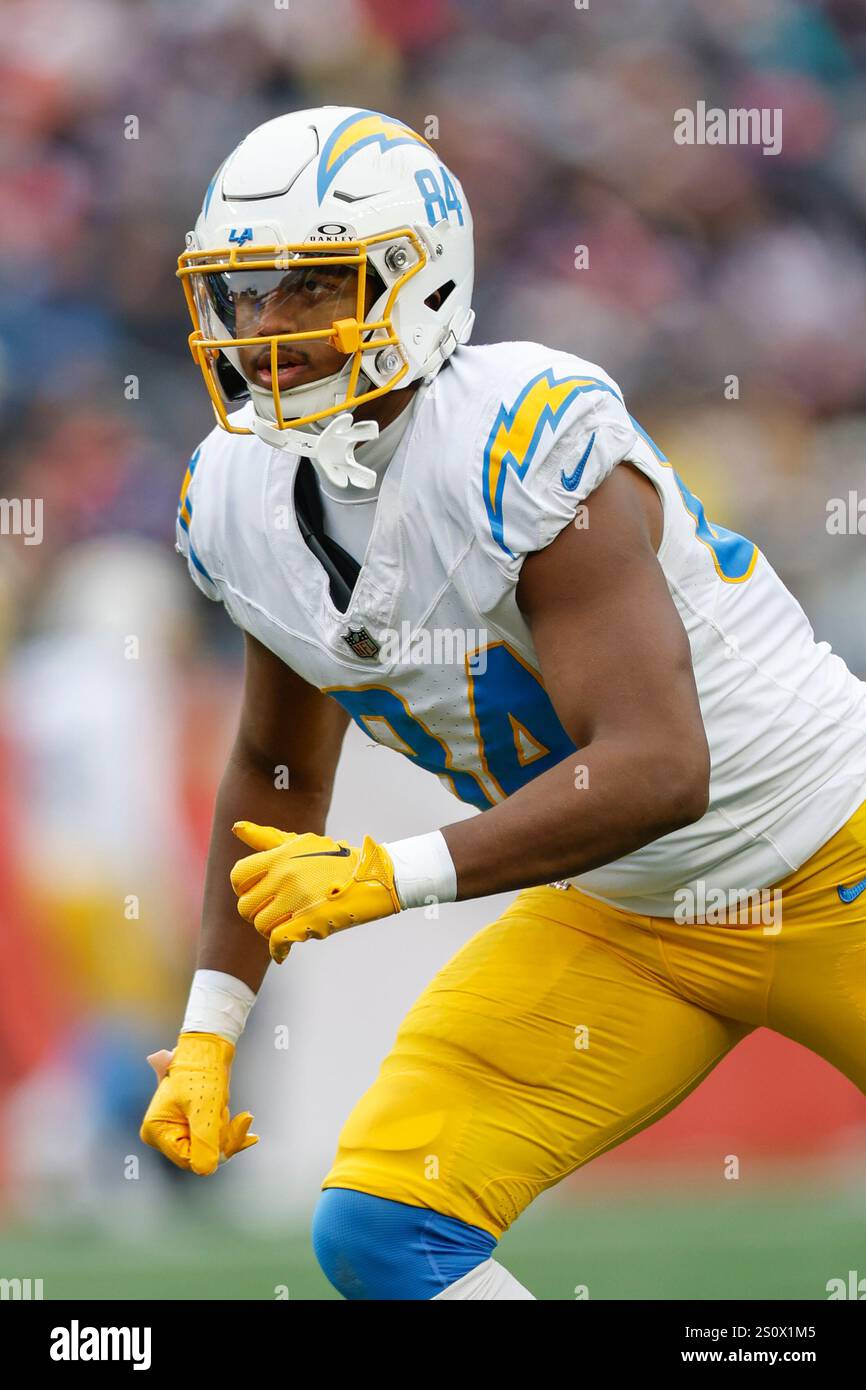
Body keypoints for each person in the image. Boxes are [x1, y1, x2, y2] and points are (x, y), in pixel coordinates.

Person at [141, 106, 866, 1300]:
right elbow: (277, 766)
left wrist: (392, 873)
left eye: (310, 291)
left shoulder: (521, 432)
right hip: (631, 921)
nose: (268, 330)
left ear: (414, 285)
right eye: (246, 293)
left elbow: (654, 765)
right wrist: (213, 1025)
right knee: (383, 1229)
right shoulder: (234, 494)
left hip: (832, 852)